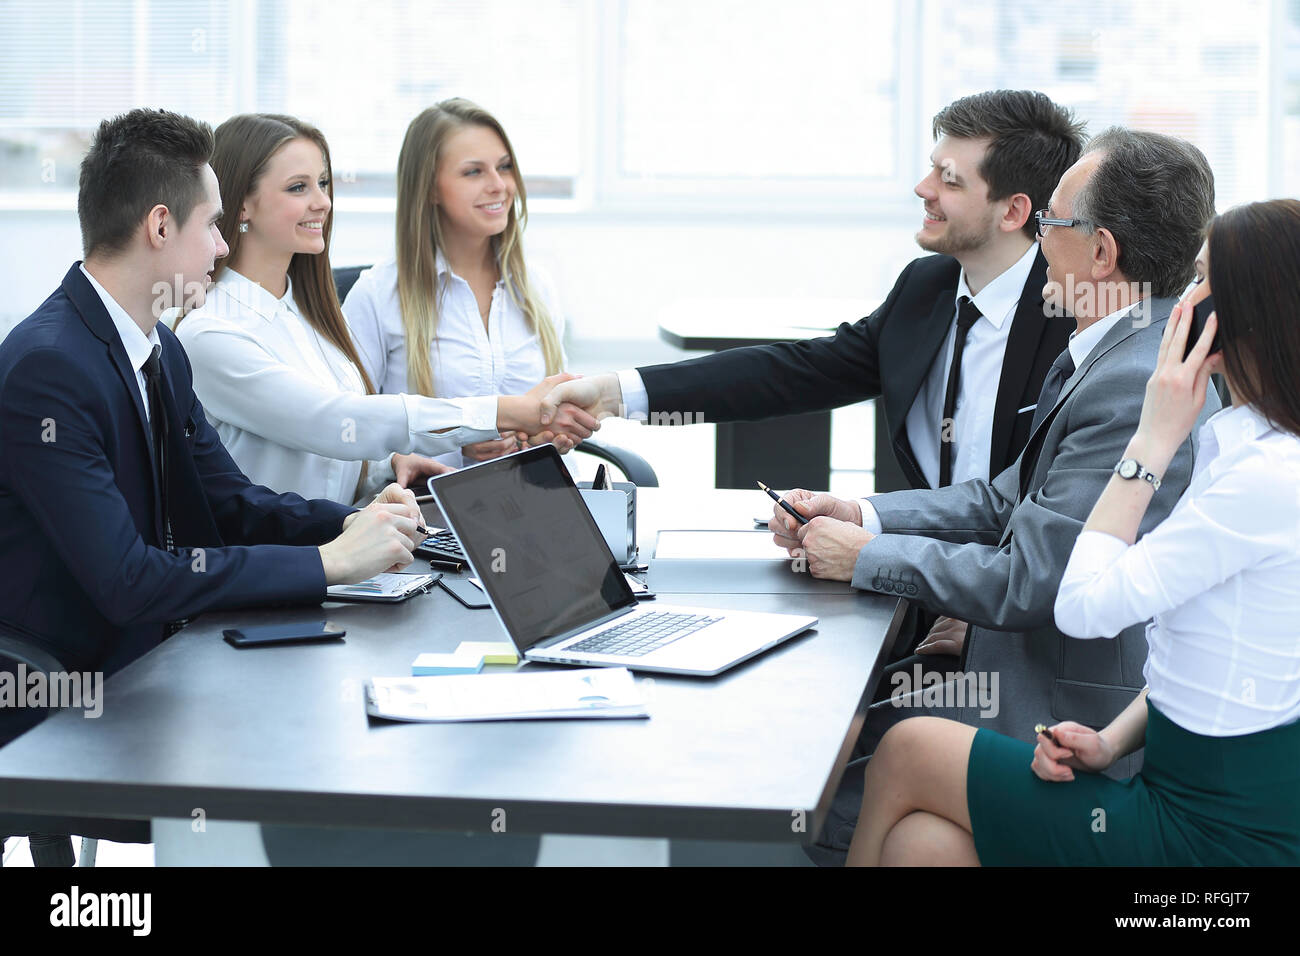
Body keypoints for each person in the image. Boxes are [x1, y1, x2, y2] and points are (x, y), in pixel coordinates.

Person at [780, 127, 1222, 863]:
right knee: (870, 788)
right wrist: (864, 513)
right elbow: (1002, 502)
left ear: (1102, 253)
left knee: (824, 787)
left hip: (1068, 717)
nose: (1039, 238)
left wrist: (866, 556)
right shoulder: (1119, 349)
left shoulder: (1129, 384)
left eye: (1051, 222)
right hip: (1024, 677)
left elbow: (1032, 583)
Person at [537, 89, 1082, 659]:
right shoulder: (928, 289)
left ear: (1014, 211)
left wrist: (979, 619)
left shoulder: (1072, 315)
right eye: (930, 170)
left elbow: (1053, 526)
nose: (923, 190)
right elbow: (797, 372)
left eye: (948, 179)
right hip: (914, 594)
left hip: (1022, 622)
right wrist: (614, 394)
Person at [848, 199, 1300, 866]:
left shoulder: (1265, 479)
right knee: (925, 847)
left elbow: (1083, 604)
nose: (1185, 300)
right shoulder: (1245, 446)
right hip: (1179, 795)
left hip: (1213, 842)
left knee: (908, 749)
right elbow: (1210, 653)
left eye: (1203, 282)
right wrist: (1111, 741)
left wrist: (1153, 437)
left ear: (1246, 315)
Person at [0, 108, 430, 735]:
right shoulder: (50, 370)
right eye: (212, 225)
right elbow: (129, 581)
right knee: (315, 729)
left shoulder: (159, 352)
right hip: (70, 690)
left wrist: (358, 525)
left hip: (158, 650)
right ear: (160, 226)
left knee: (335, 712)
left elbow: (232, 505)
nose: (225, 248)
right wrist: (329, 563)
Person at [173, 113, 594, 504]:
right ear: (241, 204)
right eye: (298, 187)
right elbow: (334, 421)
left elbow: (331, 454)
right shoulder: (211, 334)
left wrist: (386, 467)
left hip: (351, 544)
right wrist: (504, 411)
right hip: (287, 564)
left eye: (323, 183)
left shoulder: (308, 315)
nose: (323, 202)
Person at [343, 98, 578, 472]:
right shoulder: (377, 295)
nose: (499, 186)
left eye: (504, 167)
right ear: (430, 189)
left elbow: (553, 410)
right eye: (473, 172)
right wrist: (446, 444)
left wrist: (546, 434)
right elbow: (346, 431)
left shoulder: (536, 287)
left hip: (539, 501)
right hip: (431, 514)